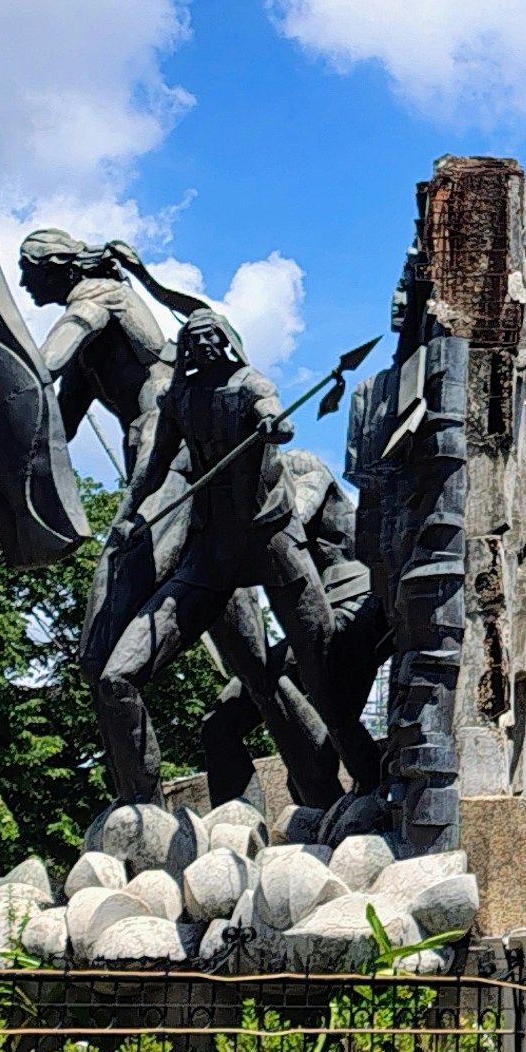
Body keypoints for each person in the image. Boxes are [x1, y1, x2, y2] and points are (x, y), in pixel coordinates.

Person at [106, 309, 384, 802]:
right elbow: (152, 466)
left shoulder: (255, 390)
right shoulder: (180, 399)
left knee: (326, 687)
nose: (207, 347)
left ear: (229, 342)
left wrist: (274, 426)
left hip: (281, 548)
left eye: (214, 338)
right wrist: (128, 516)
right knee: (124, 675)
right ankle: (156, 807)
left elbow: (277, 423)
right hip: (213, 550)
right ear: (186, 349)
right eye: (196, 340)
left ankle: (368, 785)